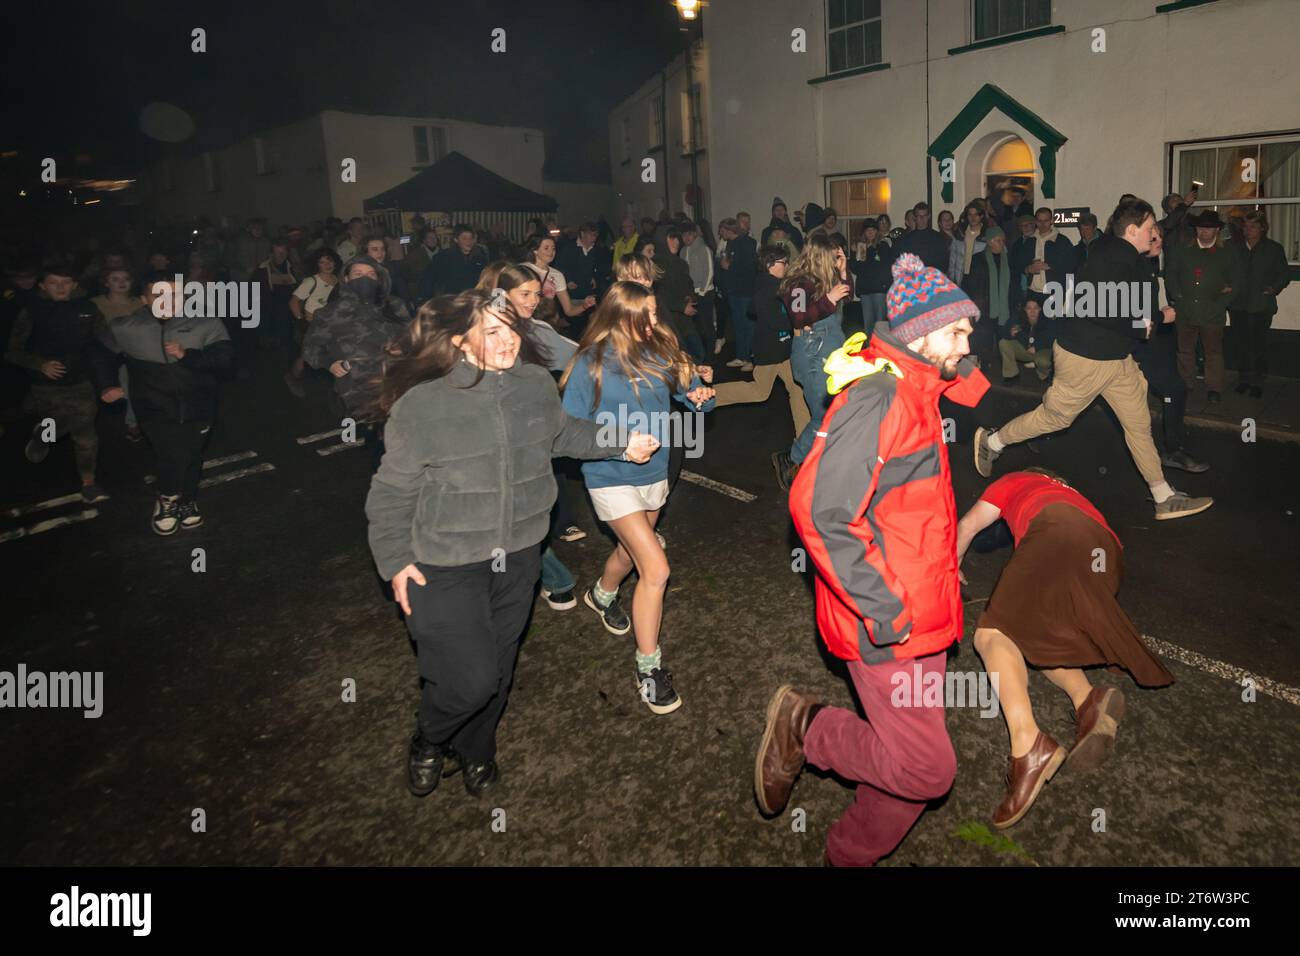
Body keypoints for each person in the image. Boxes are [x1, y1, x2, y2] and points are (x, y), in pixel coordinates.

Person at [367, 288, 657, 798]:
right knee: (469, 679)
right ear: (459, 341)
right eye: (492, 333)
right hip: (442, 560)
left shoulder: (532, 385)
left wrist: (621, 443)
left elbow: (564, 436)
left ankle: (477, 749)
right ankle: (430, 736)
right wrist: (395, 561)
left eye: (511, 331)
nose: (507, 342)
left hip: (520, 553)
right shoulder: (424, 404)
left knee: (499, 671)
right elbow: (391, 493)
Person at [754, 252, 989, 867]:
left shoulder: (916, 384)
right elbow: (821, 511)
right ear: (921, 333)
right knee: (928, 768)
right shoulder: (880, 396)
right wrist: (884, 607)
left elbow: (907, 502)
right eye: (959, 331)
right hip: (886, 623)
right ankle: (808, 726)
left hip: (925, 608)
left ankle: (847, 856)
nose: (969, 342)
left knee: (907, 761)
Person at [955, 468, 1174, 828]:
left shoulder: (1014, 480)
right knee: (1035, 634)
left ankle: (1028, 744)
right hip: (1108, 552)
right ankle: (1087, 699)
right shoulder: (1071, 491)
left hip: (1056, 532)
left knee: (991, 634)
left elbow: (967, 527)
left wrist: (952, 566)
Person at [974, 197, 1214, 521]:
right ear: (1132, 230)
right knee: (1055, 418)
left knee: (1139, 423)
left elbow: (1127, 291)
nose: (1154, 233)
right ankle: (993, 441)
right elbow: (1108, 311)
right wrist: (1158, 318)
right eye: (1149, 228)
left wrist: (1154, 250)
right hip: (1086, 357)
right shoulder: (1115, 259)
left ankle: (1163, 495)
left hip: (1115, 358)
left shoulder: (1116, 250)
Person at [560, 281, 715, 715]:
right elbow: (566, 433)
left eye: (653, 314)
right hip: (610, 476)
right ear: (617, 315)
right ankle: (649, 668)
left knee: (630, 554)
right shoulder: (589, 363)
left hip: (654, 472)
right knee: (656, 567)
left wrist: (700, 398)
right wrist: (620, 442)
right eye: (642, 316)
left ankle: (602, 593)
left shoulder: (661, 353)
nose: (652, 322)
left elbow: (693, 400)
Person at [477, 261, 588, 607]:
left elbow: (578, 354)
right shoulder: (473, 323)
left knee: (520, 507)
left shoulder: (535, 329)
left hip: (526, 432)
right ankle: (548, 576)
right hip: (485, 431)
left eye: (537, 294)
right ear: (501, 293)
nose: (533, 300)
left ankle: (547, 575)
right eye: (524, 294)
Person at [92, 277, 234, 534]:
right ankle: (168, 499)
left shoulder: (205, 322)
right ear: (144, 300)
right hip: (153, 404)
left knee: (192, 456)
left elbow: (225, 360)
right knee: (173, 454)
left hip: (199, 403)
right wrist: (106, 384)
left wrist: (187, 356)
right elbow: (99, 354)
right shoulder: (125, 327)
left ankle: (187, 501)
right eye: (159, 296)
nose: (168, 301)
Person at [6, 258, 109, 503]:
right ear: (42, 285)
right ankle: (43, 435)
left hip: (82, 383)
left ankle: (88, 483)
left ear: (74, 285)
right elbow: (12, 351)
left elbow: (104, 343)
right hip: (46, 386)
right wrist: (40, 364)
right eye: (54, 283)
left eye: (66, 282)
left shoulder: (89, 309)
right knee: (55, 423)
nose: (61, 288)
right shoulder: (30, 311)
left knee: (86, 436)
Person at [302, 256, 409, 471]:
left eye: (371, 275)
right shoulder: (330, 312)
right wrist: (329, 362)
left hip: (395, 382)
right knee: (373, 440)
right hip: (356, 386)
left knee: (396, 438)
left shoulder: (394, 305)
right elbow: (311, 348)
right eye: (358, 274)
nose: (365, 280)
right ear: (347, 278)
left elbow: (413, 337)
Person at [772, 233, 852, 490]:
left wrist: (843, 271)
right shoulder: (798, 282)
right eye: (832, 257)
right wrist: (829, 299)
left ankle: (822, 460)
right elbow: (799, 317)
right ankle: (792, 457)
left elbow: (847, 297)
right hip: (812, 352)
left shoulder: (824, 277)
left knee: (838, 409)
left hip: (832, 348)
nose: (834, 261)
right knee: (824, 414)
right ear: (820, 256)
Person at [712, 245, 809, 442]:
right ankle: (711, 396)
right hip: (770, 351)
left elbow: (753, 310)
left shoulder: (775, 285)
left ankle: (805, 437)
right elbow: (772, 319)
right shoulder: (767, 288)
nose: (787, 265)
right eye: (783, 262)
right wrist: (798, 322)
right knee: (759, 392)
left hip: (782, 350)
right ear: (770, 265)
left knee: (797, 389)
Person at [1135, 223, 1207, 474]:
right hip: (1132, 344)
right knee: (1071, 403)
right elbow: (1130, 315)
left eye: (1160, 239)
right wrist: (1160, 316)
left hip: (1149, 338)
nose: (1159, 243)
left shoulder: (1148, 265)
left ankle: (1171, 450)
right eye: (1153, 239)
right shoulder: (1135, 269)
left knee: (1173, 389)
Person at [1165, 209, 1239, 403]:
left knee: (1213, 352)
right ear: (1195, 229)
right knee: (1184, 350)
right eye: (1201, 228)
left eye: (1209, 228)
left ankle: (1214, 387)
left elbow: (1236, 282)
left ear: (1217, 230)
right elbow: (1171, 274)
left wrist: (1220, 304)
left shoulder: (1227, 253)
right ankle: (1186, 383)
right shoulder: (1182, 249)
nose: (1204, 232)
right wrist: (1177, 296)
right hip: (1186, 310)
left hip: (1212, 312)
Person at [1228, 210, 1291, 398]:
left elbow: (1284, 273)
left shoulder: (1273, 248)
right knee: (1241, 343)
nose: (1248, 231)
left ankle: (1257, 381)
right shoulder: (1234, 247)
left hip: (1261, 305)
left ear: (1262, 228)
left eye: (1253, 226)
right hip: (1238, 304)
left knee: (1258, 345)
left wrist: (1274, 288)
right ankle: (1244, 379)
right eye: (1246, 227)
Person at [91, 266, 144, 440]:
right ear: (106, 282)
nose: (121, 283)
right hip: (108, 355)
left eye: (125, 278)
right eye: (115, 279)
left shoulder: (140, 302)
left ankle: (134, 421)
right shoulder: (96, 303)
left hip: (137, 353)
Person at [286, 249, 342, 397]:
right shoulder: (312, 281)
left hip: (332, 324)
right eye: (322, 262)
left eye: (329, 260)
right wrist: (302, 320)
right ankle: (293, 378)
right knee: (306, 357)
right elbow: (293, 302)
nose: (327, 264)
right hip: (313, 324)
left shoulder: (338, 280)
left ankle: (337, 390)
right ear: (317, 265)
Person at [522, 235, 596, 331]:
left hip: (544, 326)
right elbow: (499, 292)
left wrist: (585, 305)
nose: (551, 252)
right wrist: (499, 314)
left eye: (553, 248)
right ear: (535, 250)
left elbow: (569, 310)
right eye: (546, 248)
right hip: (523, 323)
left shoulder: (557, 275)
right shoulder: (523, 270)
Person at [965, 225, 1013, 365]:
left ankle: (999, 365)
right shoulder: (978, 259)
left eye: (1003, 240)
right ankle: (984, 363)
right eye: (998, 240)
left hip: (1003, 306)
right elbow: (973, 284)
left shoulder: (1007, 259)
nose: (1001, 243)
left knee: (1002, 337)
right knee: (984, 337)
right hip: (985, 306)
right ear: (990, 242)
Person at [654, 227, 702, 360]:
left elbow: (688, 284)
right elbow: (658, 295)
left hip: (685, 320)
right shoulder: (655, 265)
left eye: (677, 238)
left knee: (697, 353)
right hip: (668, 320)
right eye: (671, 238)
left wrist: (690, 296)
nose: (676, 242)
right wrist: (681, 306)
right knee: (678, 359)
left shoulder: (681, 263)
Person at [716, 215, 758, 368]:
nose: (721, 235)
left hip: (745, 292)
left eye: (722, 231)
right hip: (734, 292)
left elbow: (747, 268)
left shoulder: (747, 243)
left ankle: (751, 359)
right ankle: (741, 356)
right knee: (738, 325)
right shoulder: (730, 244)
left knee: (748, 325)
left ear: (728, 230)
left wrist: (729, 266)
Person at [556, 222, 610, 338]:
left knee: (589, 327)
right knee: (574, 327)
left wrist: (593, 277)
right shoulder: (569, 248)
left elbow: (597, 266)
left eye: (596, 235)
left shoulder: (594, 249)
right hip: (573, 294)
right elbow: (560, 267)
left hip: (588, 293)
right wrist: (567, 280)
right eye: (592, 235)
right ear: (582, 234)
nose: (594, 238)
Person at [1015, 207, 1074, 307]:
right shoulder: (1030, 241)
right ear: (1035, 221)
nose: (1042, 224)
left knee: (1053, 322)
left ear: (1051, 220)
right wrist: (1028, 269)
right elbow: (1019, 263)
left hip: (1055, 292)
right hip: (1033, 292)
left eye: (1046, 221)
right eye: (1039, 221)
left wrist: (1049, 266)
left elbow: (1071, 265)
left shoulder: (1062, 241)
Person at [419, 224, 488, 301]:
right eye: (464, 238)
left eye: (470, 238)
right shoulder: (444, 257)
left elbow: (486, 280)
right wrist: (424, 300)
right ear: (456, 240)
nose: (468, 241)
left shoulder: (480, 258)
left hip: (473, 301)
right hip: (452, 303)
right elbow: (428, 280)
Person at [849, 218, 894, 333]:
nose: (870, 232)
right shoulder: (861, 247)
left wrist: (886, 286)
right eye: (867, 230)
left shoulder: (882, 246)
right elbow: (856, 268)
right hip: (865, 290)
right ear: (864, 232)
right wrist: (854, 253)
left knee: (880, 325)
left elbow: (887, 267)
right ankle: (870, 349)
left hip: (879, 289)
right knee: (868, 326)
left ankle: (880, 349)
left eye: (873, 229)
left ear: (877, 231)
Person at [680, 221, 716, 358]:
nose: (687, 238)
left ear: (695, 234)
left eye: (689, 234)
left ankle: (710, 354)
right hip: (690, 293)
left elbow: (709, 272)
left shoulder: (703, 249)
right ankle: (698, 353)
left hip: (704, 292)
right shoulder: (683, 251)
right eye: (684, 235)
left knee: (706, 324)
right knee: (694, 326)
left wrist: (702, 291)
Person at [997, 298, 1054, 383]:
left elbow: (1052, 337)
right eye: (1029, 308)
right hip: (1025, 350)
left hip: (1041, 351)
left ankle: (1044, 374)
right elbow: (1002, 331)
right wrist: (1010, 333)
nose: (1032, 311)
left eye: (1035, 308)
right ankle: (1011, 375)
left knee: (1043, 361)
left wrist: (1037, 347)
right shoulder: (1018, 317)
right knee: (1003, 343)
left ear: (1040, 309)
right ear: (1024, 309)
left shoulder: (1047, 319)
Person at [892, 202, 947, 271]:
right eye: (919, 216)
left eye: (924, 216)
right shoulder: (906, 239)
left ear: (928, 217)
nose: (922, 218)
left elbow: (944, 262)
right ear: (915, 217)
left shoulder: (938, 238)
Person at [957, 201, 989, 288]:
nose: (973, 218)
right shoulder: (960, 233)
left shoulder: (987, 235)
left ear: (981, 216)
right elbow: (954, 258)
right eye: (970, 215)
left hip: (980, 278)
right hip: (962, 277)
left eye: (976, 214)